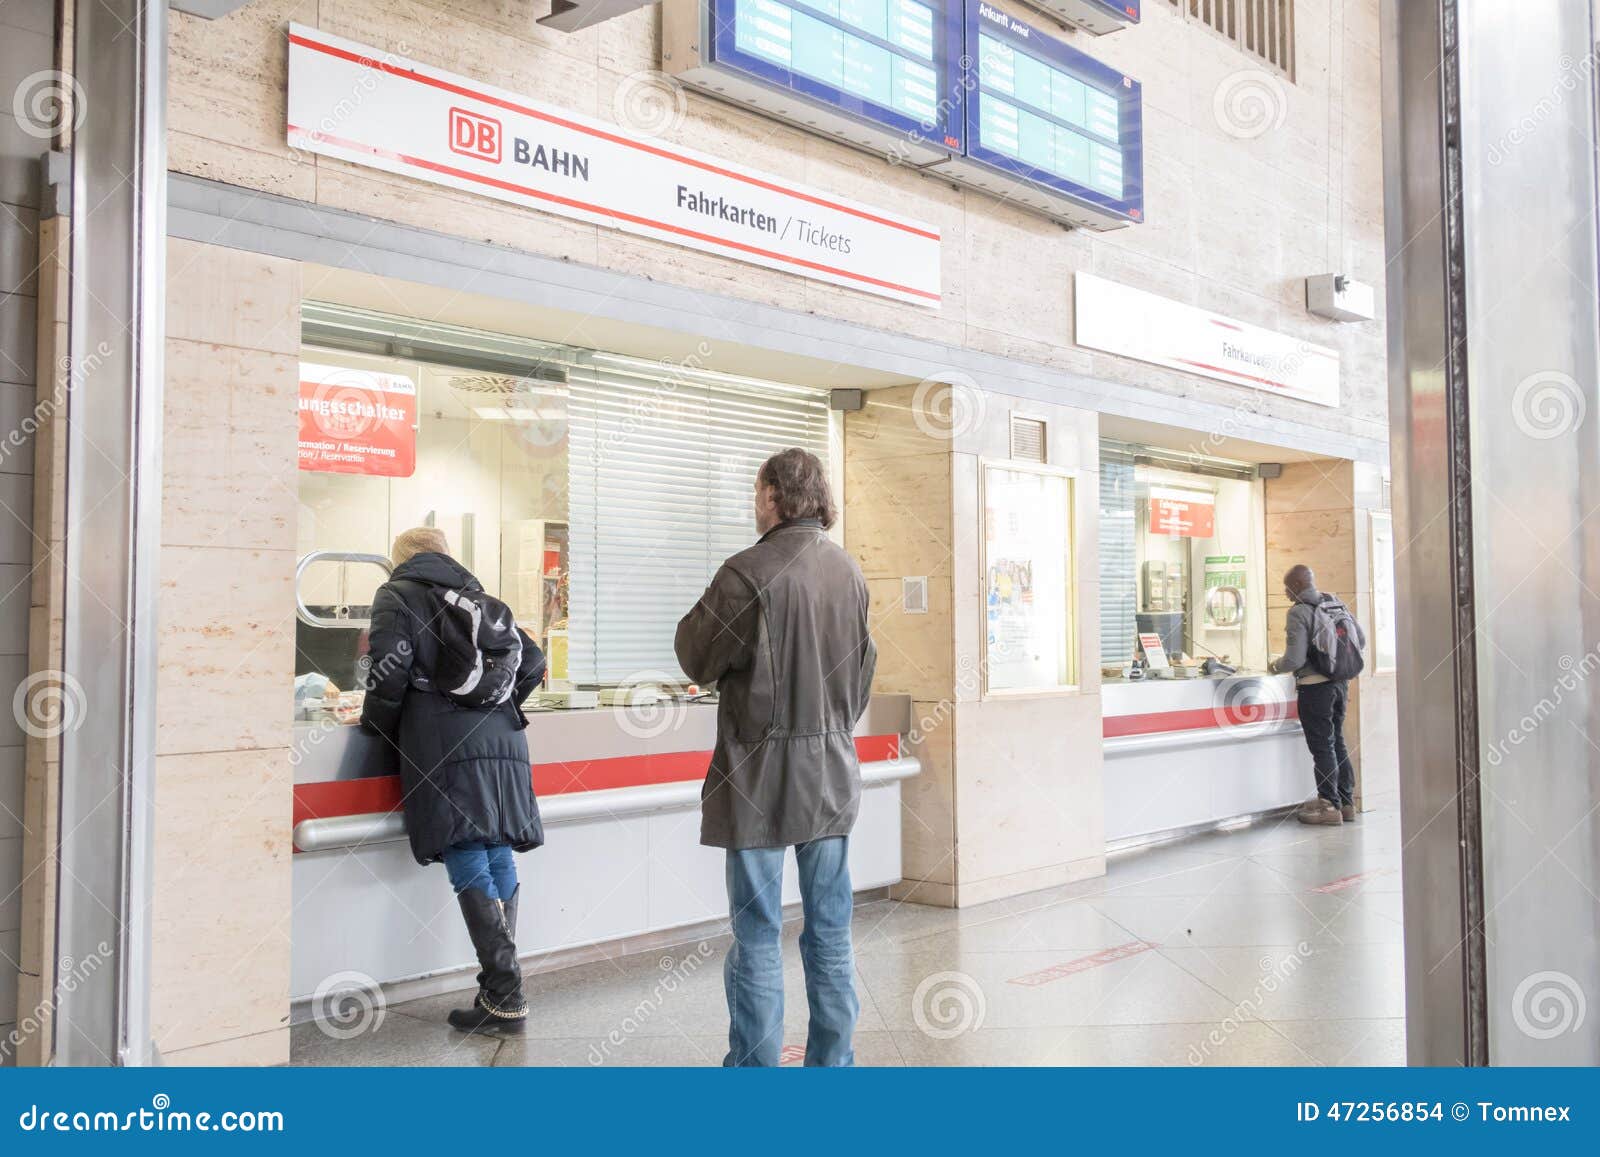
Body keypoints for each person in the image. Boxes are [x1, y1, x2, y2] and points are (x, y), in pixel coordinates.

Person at [674, 448, 877, 1067]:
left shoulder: (746, 572)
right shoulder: (850, 573)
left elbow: (696, 656)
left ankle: (756, 1072)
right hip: (831, 778)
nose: (753, 501)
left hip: (756, 779)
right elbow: (862, 679)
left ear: (773, 497)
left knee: (759, 933)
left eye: (756, 490)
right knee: (831, 930)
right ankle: (832, 1066)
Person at [360, 527, 547, 1035]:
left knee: (465, 844)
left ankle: (506, 994)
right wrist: (492, 708)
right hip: (504, 739)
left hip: (443, 743)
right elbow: (532, 662)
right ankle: (501, 994)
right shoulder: (480, 597)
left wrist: (376, 726)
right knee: (495, 847)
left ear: (400, 560)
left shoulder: (395, 594)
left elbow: (388, 671)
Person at [1270, 563, 1367, 826]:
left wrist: (1274, 666)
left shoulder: (1299, 612)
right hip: (1339, 683)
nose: (1286, 593)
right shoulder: (1334, 603)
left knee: (1322, 746)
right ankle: (1346, 803)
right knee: (1337, 740)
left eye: (1288, 587)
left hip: (1314, 688)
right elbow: (1361, 639)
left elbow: (1294, 659)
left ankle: (1328, 805)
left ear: (1299, 585)